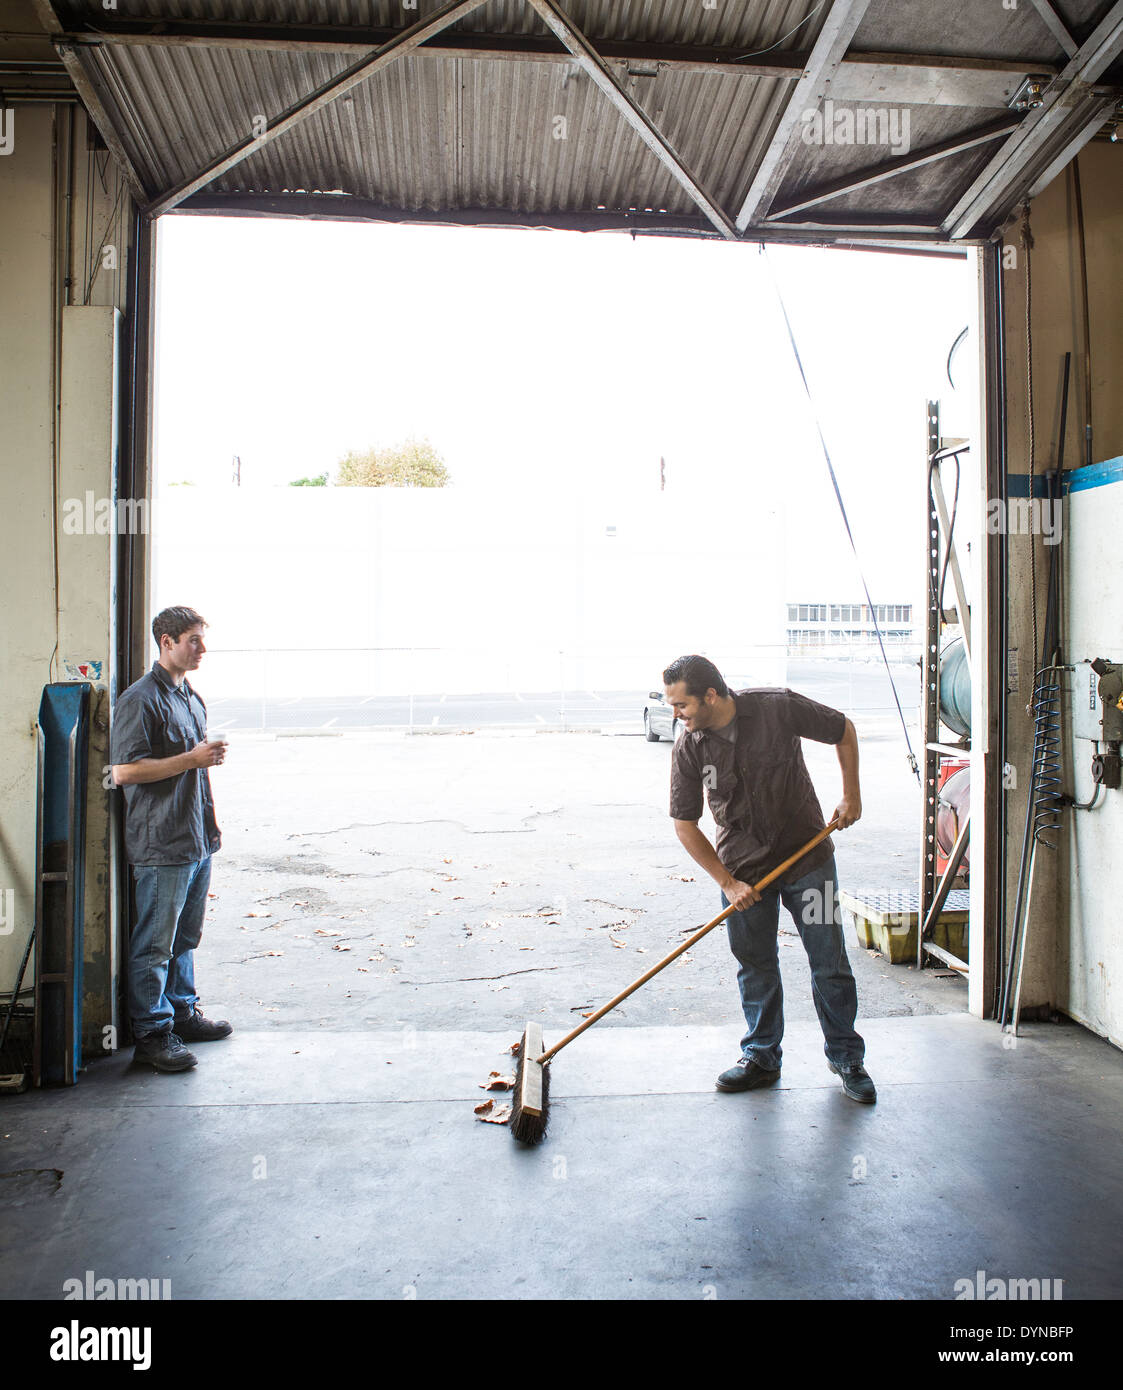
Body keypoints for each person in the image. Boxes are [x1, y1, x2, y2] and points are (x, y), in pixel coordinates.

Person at [663, 654, 875, 1103]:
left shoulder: (777, 707)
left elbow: (843, 729)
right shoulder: (690, 747)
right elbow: (685, 825)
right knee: (755, 963)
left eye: (681, 705)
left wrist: (851, 795)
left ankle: (847, 1057)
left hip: (807, 860)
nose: (676, 714)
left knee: (829, 960)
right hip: (742, 870)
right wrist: (727, 883)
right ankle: (761, 1055)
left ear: (712, 695)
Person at [110, 606, 232, 1073]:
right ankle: (153, 1035)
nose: (202, 649)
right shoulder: (141, 699)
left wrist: (198, 761)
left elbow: (192, 763)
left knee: (184, 936)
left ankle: (181, 1012)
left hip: (196, 837)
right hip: (161, 842)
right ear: (166, 642)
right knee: (155, 943)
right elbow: (123, 771)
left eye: (202, 640)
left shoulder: (189, 696)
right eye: (193, 640)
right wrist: (191, 760)